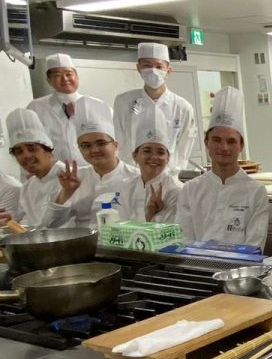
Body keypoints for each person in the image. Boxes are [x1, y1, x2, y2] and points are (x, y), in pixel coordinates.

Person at [177, 87, 268, 248]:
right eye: (217, 140)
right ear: (207, 143)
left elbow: (254, 246)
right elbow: (184, 240)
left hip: (240, 271)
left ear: (241, 146)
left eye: (231, 141)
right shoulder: (190, 190)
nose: (224, 147)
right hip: (196, 269)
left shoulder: (256, 192)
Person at [50, 97, 138, 227]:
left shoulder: (135, 177)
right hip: (83, 244)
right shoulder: (74, 178)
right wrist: (66, 193)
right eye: (86, 146)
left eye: (101, 143)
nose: (94, 150)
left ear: (115, 144)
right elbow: (52, 223)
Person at [113, 42, 199, 172]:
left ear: (168, 71)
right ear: (138, 68)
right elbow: (119, 140)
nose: (153, 70)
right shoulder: (124, 102)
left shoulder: (182, 107)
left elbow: (184, 148)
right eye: (147, 65)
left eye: (159, 66)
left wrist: (175, 174)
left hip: (169, 176)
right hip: (132, 175)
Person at [6, 108, 75, 230]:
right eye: (19, 152)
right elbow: (25, 223)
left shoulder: (70, 178)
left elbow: (61, 223)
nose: (26, 156)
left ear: (48, 151)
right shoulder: (28, 187)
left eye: (32, 148)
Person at [114, 117, 182, 224]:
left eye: (160, 152)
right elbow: (122, 226)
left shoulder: (176, 190)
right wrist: (149, 215)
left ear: (168, 158)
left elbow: (170, 233)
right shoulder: (126, 187)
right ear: (135, 156)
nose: (154, 157)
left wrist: (149, 216)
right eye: (147, 151)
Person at [24, 53, 85, 162]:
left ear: (77, 76)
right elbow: (27, 144)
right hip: (54, 172)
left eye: (69, 73)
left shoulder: (94, 105)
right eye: (57, 75)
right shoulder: (35, 108)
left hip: (91, 170)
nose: (65, 79)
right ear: (49, 80)